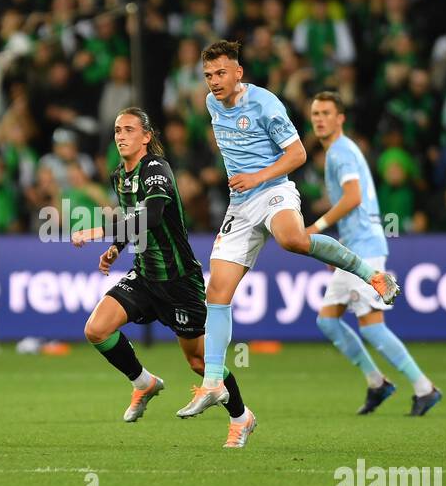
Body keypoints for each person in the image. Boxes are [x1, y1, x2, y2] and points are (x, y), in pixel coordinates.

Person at [175, 40, 399, 446]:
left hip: (273, 189)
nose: (214, 82)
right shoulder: (211, 104)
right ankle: (212, 383)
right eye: (208, 75)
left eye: (221, 73)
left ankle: (371, 275)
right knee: (217, 292)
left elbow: (296, 155)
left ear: (238, 72)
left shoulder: (265, 104)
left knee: (293, 240)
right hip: (240, 205)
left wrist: (257, 178)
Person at [75, 108, 254, 440]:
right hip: (144, 276)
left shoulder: (156, 168)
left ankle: (241, 417)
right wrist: (116, 246)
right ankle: (143, 382)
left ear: (146, 136)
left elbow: (154, 215)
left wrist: (99, 229)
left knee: (200, 363)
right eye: (117, 130)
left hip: (178, 281)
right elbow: (135, 217)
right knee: (97, 329)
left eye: (129, 129)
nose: (121, 136)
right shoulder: (119, 176)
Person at [308, 91, 441, 415]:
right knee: (327, 321)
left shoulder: (341, 152)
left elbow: (353, 197)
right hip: (354, 249)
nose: (320, 119)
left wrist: (317, 227)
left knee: (372, 326)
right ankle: (377, 382)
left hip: (365, 251)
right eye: (315, 114)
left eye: (326, 112)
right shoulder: (339, 152)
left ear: (341, 118)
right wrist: (337, 252)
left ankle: (425, 388)